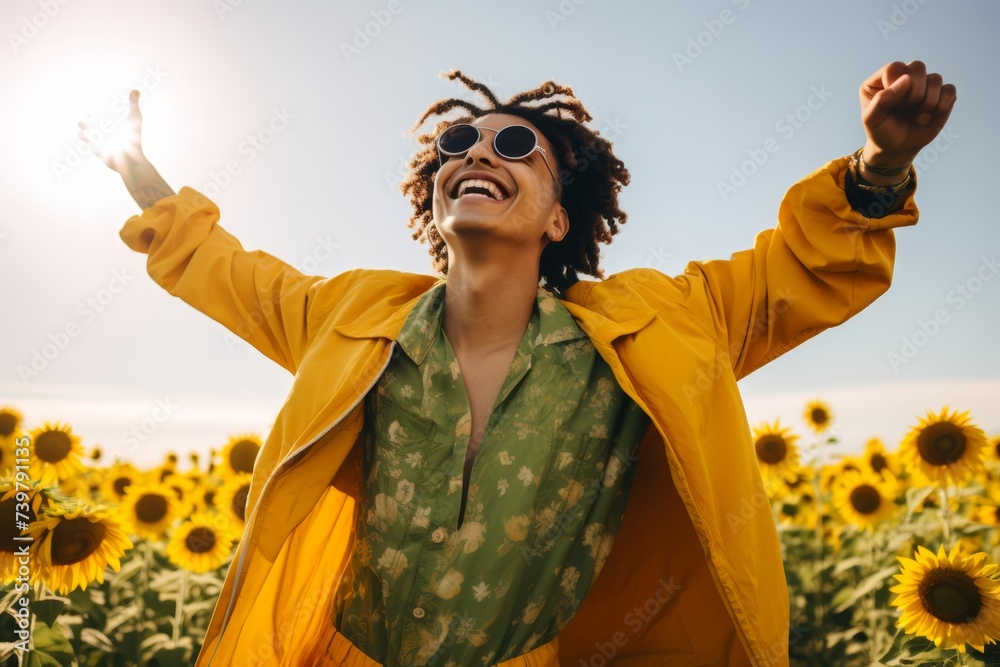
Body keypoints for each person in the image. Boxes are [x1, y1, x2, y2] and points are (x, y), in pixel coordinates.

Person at [83, 61, 955, 666]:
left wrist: (880, 163)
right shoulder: (350, 316)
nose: (475, 153)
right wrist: (142, 179)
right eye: (458, 142)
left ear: (559, 220)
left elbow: (788, 279)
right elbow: (232, 275)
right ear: (433, 194)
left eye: (512, 148)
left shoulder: (658, 324)